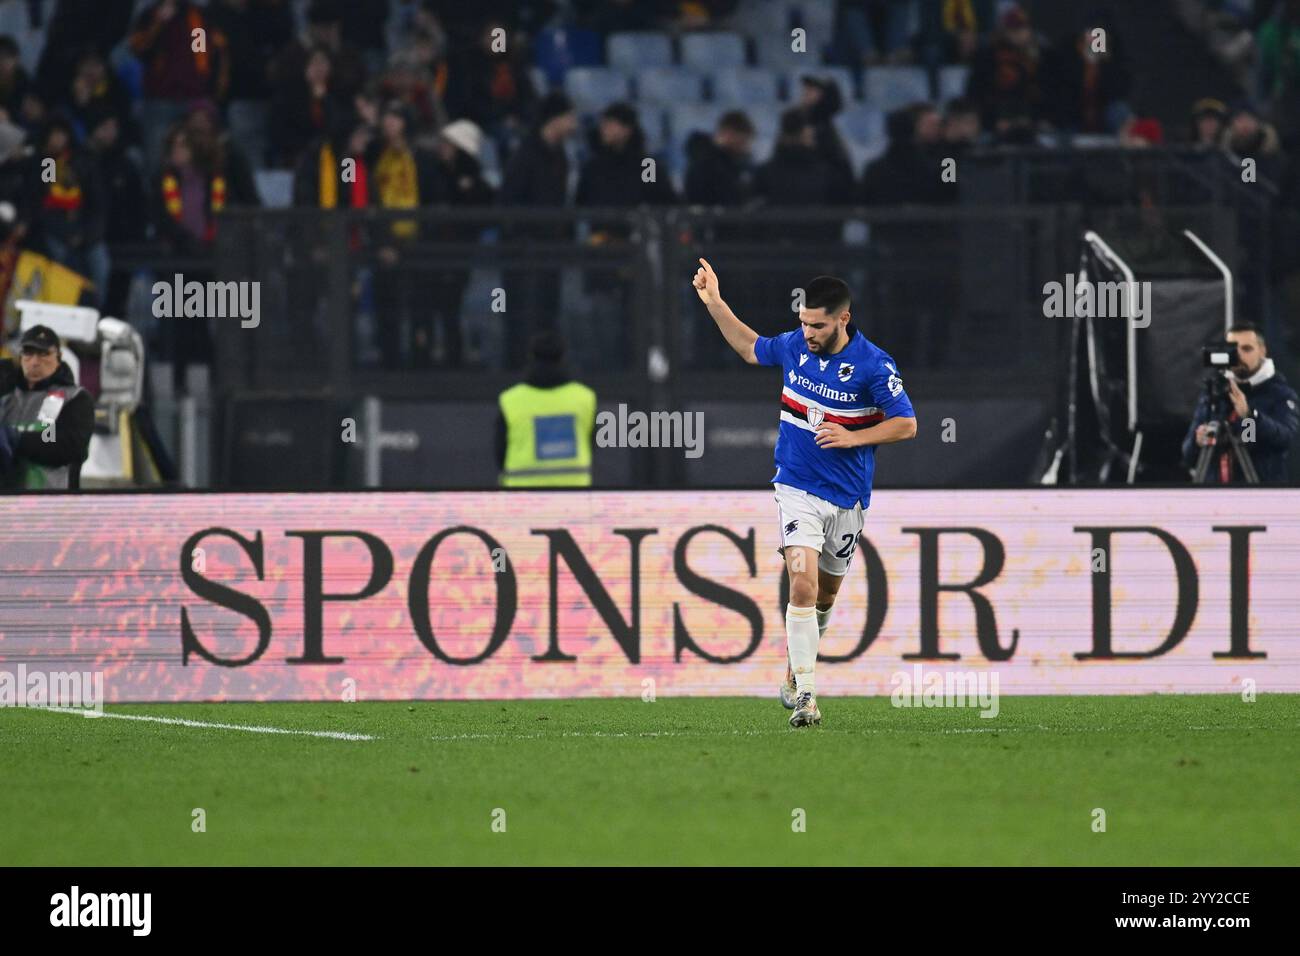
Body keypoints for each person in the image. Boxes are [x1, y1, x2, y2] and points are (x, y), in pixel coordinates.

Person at [692, 264, 917, 728]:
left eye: (817, 325)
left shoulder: (874, 365)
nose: (807, 332)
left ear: (843, 319)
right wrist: (715, 302)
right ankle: (807, 696)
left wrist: (855, 437)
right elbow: (752, 348)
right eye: (803, 322)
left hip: (848, 498)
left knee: (826, 595)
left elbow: (907, 424)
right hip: (796, 488)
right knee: (801, 583)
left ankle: (796, 671)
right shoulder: (795, 346)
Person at [1181, 323, 1299, 484]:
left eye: (1247, 349)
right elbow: (1188, 455)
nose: (1239, 356)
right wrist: (1198, 441)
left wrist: (1249, 416)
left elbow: (1285, 439)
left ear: (1262, 351)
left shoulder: (1279, 393)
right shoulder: (1216, 392)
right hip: (1214, 499)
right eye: (1233, 350)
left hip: (1258, 497)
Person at [495, 331, 597, 487]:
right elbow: (592, 443)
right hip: (573, 493)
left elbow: (500, 452)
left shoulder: (510, 399)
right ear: (564, 357)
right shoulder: (585, 397)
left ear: (531, 358)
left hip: (521, 495)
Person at [0, 325, 95, 490]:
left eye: (44, 354)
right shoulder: (6, 398)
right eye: (28, 353)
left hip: (51, 505)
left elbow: (59, 446)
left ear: (58, 356)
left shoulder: (71, 398)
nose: (35, 362)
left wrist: (16, 439)